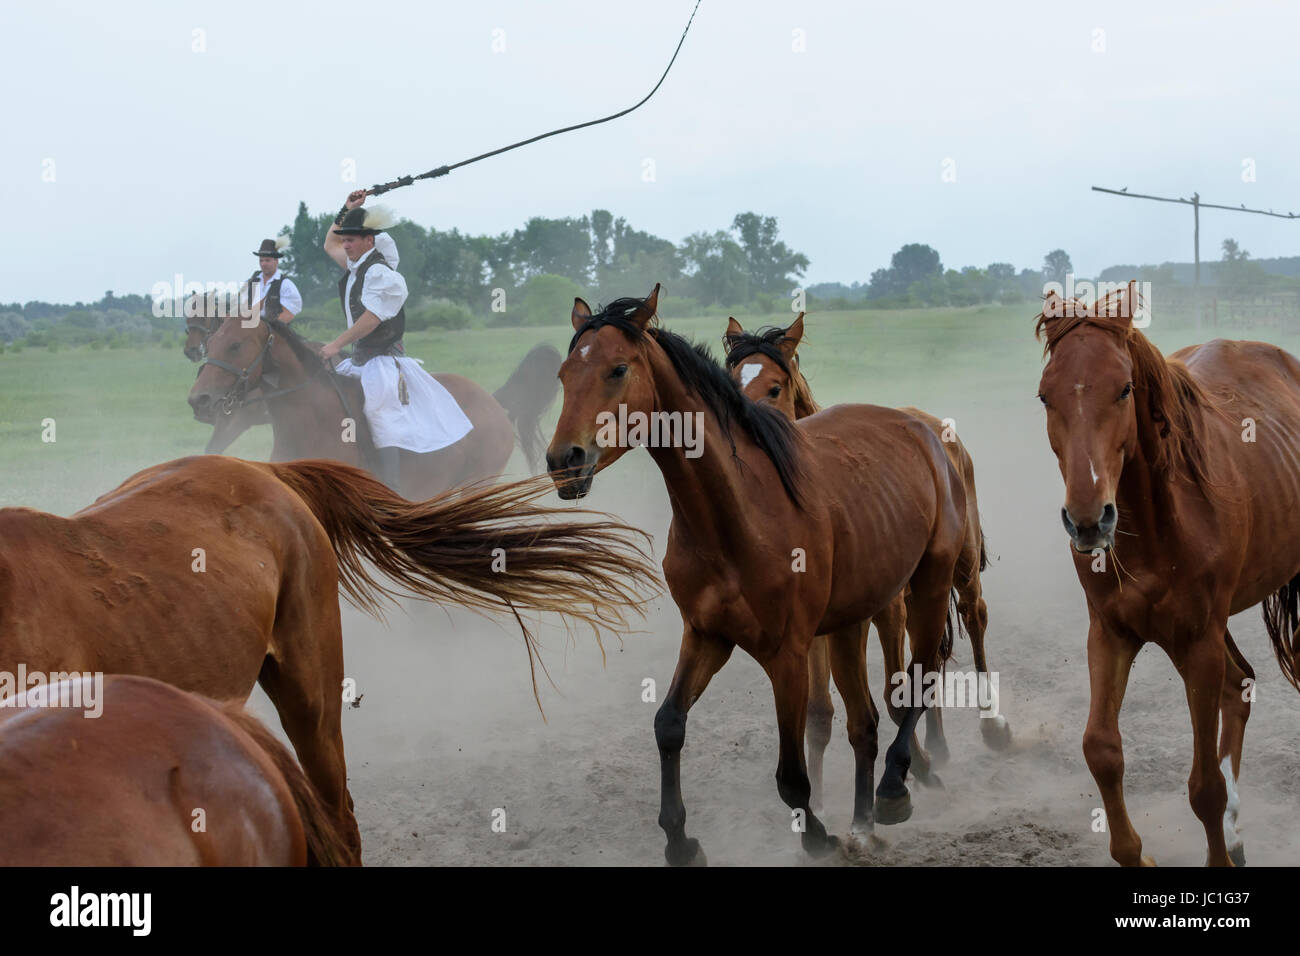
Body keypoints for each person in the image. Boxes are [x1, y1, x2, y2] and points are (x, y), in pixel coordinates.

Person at [321, 190, 473, 492]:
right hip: (361, 360)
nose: (345, 244)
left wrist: (336, 345)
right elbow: (329, 243)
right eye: (346, 239)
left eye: (351, 239)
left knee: (381, 410)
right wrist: (347, 208)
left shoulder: (379, 273)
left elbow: (371, 318)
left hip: (383, 363)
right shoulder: (355, 267)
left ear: (369, 241)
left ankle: (390, 485)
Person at [247, 236, 302, 323]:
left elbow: (288, 314)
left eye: (267, 260)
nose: (263, 264)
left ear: (276, 261)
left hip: (276, 333)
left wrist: (267, 329)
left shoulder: (286, 285)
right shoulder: (251, 283)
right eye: (261, 261)